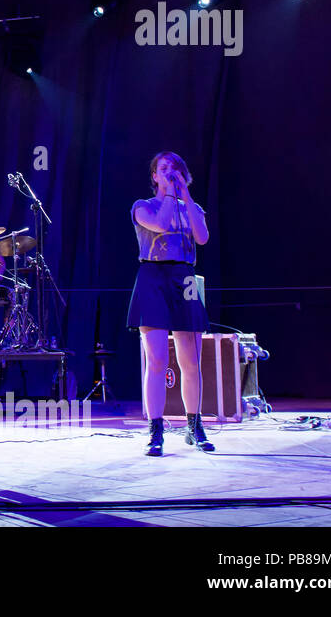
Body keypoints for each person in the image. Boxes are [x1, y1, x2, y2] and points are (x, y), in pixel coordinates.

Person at [127, 151, 212, 456]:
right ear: (154, 176)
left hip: (184, 277)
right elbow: (161, 226)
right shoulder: (143, 206)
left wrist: (185, 196)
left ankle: (195, 425)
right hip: (153, 277)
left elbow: (201, 238)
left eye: (175, 168)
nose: (169, 172)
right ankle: (156, 430)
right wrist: (168, 194)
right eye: (163, 169)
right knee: (158, 359)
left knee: (191, 360)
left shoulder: (191, 207)